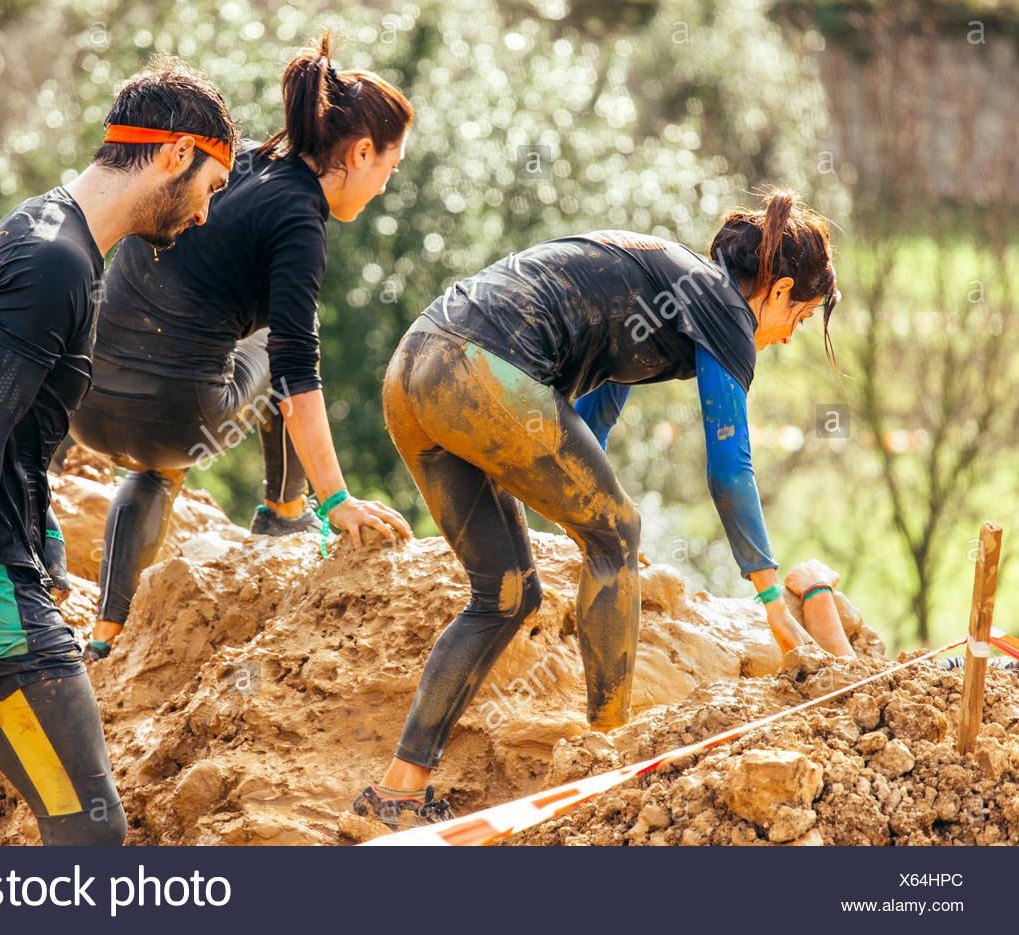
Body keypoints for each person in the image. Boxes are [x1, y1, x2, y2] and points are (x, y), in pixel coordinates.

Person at [354, 190, 840, 828]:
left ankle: (397, 793)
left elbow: (591, 419)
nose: (785, 337)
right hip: (478, 369)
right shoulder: (724, 310)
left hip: (417, 365)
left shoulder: (668, 286)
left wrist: (593, 527)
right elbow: (730, 468)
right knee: (619, 534)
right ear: (776, 291)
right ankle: (610, 760)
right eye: (799, 318)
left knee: (504, 594)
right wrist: (772, 599)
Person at [0, 57, 238, 846]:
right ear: (176, 153)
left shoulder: (41, 230)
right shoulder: (54, 265)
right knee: (91, 828)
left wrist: (44, 537)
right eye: (210, 185)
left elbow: (15, 430)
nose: (205, 214)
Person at [70, 32, 413, 662]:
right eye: (390, 169)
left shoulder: (241, 164)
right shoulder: (299, 217)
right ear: (362, 152)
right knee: (287, 345)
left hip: (86, 405)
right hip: (177, 418)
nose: (385, 187)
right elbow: (295, 375)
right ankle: (287, 509)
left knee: (157, 461)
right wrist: (337, 500)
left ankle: (105, 632)